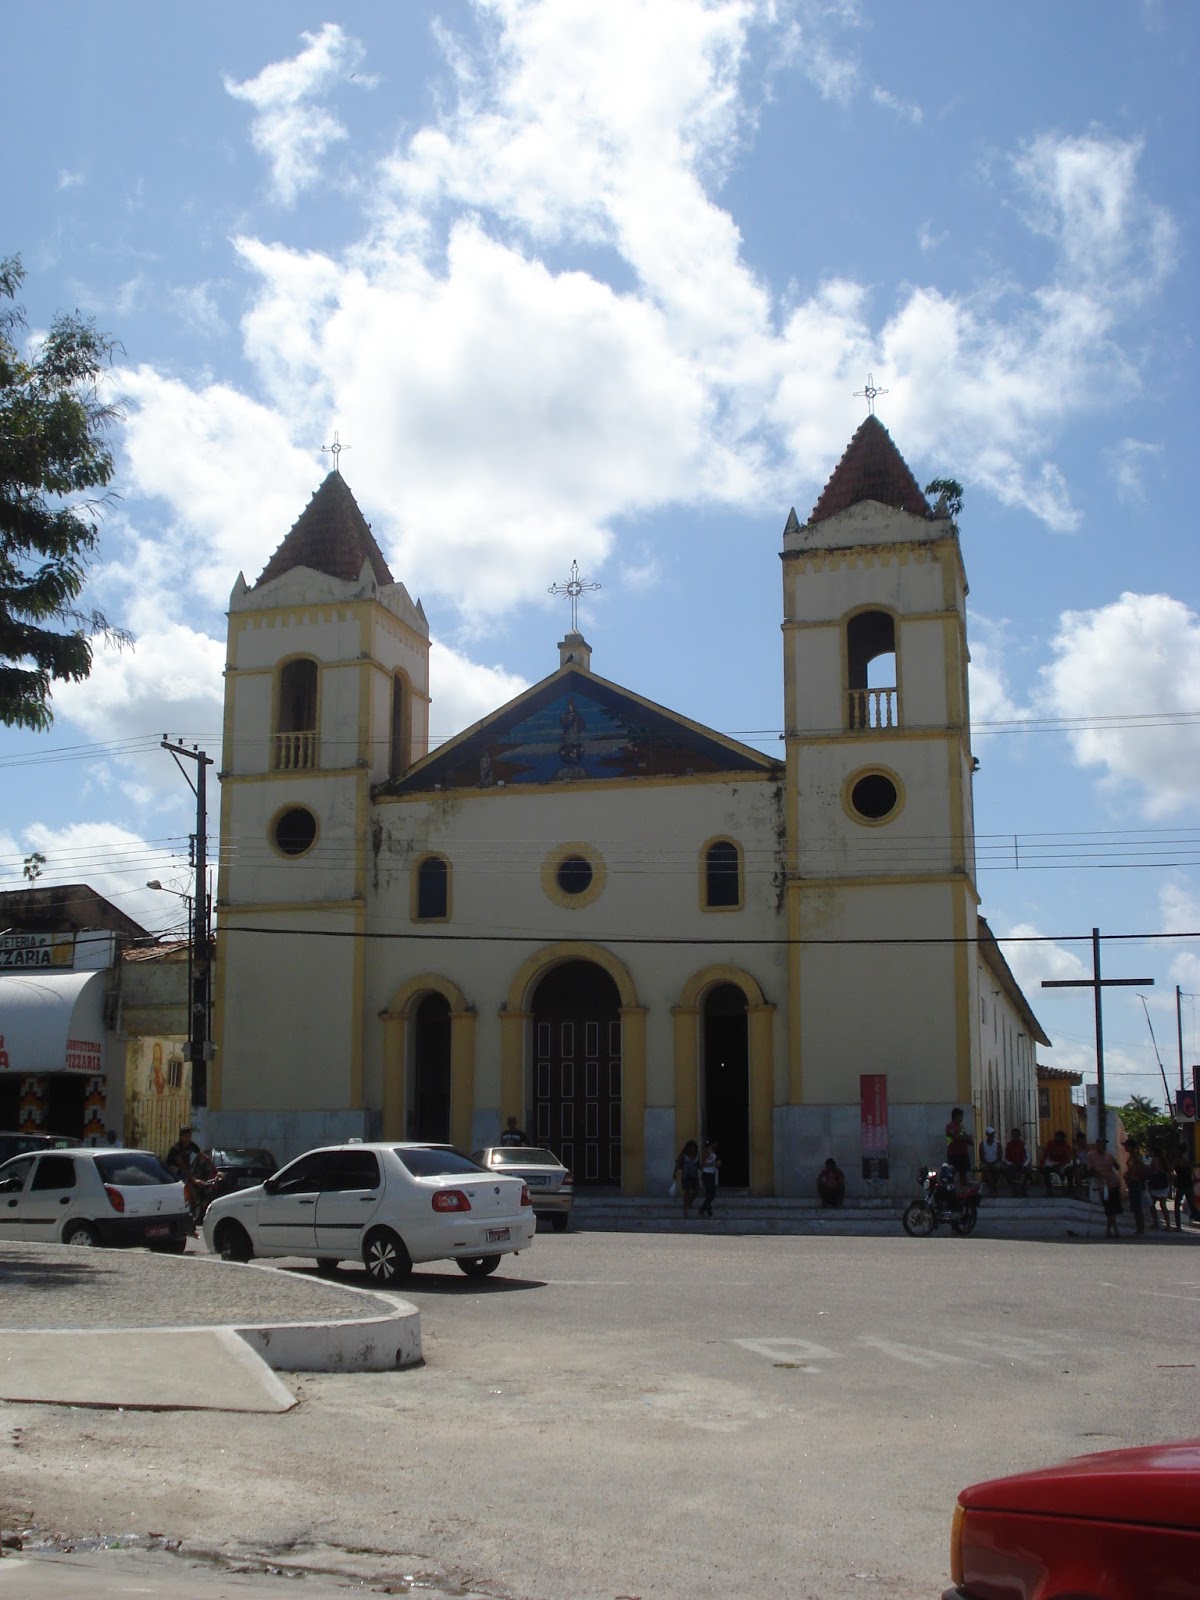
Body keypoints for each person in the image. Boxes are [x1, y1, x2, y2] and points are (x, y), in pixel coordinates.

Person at [1087, 1139, 1122, 1239]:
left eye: (1104, 1144)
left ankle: (1110, 1230)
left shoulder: (1109, 1155)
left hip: (1113, 1183)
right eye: (1101, 1144)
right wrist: (1095, 1173)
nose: (1103, 1146)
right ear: (1097, 1145)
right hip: (1102, 1186)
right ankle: (1114, 1229)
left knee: (1112, 1209)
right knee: (1108, 1208)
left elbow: (1117, 1167)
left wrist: (1116, 1164)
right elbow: (1089, 1169)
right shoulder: (1091, 1155)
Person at [1122, 1139, 1147, 1238]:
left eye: (1127, 1146)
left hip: (1136, 1184)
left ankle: (1141, 1229)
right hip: (1132, 1183)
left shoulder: (1137, 1158)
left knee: (1138, 1207)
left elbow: (1142, 1169)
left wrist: (1135, 1177)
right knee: (1135, 1207)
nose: (1125, 1147)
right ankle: (1138, 1228)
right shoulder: (1132, 1157)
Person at [1041, 1129, 1073, 1196]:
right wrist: (1041, 1164)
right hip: (1052, 1161)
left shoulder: (1067, 1146)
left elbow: (1068, 1159)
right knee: (1046, 1169)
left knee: (1069, 1169)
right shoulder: (1050, 1143)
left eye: (1058, 1137)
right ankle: (1049, 1190)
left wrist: (1060, 1165)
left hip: (1063, 1162)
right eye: (1056, 1136)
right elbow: (1045, 1154)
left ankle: (1070, 1189)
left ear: (1062, 1138)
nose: (1056, 1138)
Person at [1146, 1147, 1172, 1229]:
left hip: (1156, 1184)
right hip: (1164, 1184)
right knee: (1163, 1205)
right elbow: (1168, 1171)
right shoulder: (1163, 1160)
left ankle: (1155, 1222)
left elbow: (1151, 1170)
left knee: (1152, 1204)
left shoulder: (1154, 1160)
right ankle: (1168, 1224)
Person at [1170, 1143, 1194, 1232]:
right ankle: (1195, 1218)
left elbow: (1170, 1170)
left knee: (1177, 1205)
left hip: (1181, 1184)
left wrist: (1173, 1178)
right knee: (1192, 1205)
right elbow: (1192, 1171)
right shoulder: (1188, 1159)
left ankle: (1178, 1226)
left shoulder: (1177, 1160)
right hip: (1189, 1183)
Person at [673, 1140, 700, 1217]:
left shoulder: (697, 1156)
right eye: (691, 1147)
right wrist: (674, 1173)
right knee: (686, 1193)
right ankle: (685, 1209)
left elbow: (698, 1166)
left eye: (694, 1147)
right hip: (686, 1177)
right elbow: (678, 1165)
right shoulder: (683, 1156)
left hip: (695, 1177)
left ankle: (689, 1203)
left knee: (696, 1192)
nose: (693, 1149)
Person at [945, 1108, 971, 1179]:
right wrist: (966, 1138)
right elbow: (955, 1137)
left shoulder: (961, 1127)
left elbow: (964, 1135)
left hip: (963, 1153)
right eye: (961, 1116)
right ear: (956, 1116)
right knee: (952, 1173)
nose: (962, 1118)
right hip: (953, 1154)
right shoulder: (950, 1126)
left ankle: (963, 1187)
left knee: (963, 1173)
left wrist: (968, 1139)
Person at [1003, 1127, 1029, 1196]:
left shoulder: (1023, 1145)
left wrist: (1024, 1164)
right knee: (1005, 1169)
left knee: (1028, 1170)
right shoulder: (1009, 1145)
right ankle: (1013, 1187)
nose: (1015, 1137)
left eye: (1017, 1135)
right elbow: (1005, 1157)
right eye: (1013, 1135)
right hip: (1012, 1164)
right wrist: (1010, 1164)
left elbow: (1028, 1157)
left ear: (1019, 1136)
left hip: (1022, 1164)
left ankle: (1023, 1187)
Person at [978, 1127, 1003, 1195]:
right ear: (987, 1134)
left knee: (997, 1169)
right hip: (985, 1162)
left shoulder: (997, 1144)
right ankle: (993, 1187)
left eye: (993, 1134)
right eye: (991, 1134)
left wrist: (993, 1163)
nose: (992, 1135)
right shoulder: (982, 1144)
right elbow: (981, 1156)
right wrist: (988, 1163)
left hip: (996, 1162)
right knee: (984, 1168)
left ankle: (992, 1187)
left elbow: (1000, 1156)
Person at [698, 1140, 720, 1218]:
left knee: (712, 1193)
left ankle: (702, 1209)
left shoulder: (713, 1152)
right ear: (711, 1144)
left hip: (712, 1174)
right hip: (706, 1174)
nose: (716, 1144)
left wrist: (717, 1164)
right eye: (714, 1143)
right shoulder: (706, 1152)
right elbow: (701, 1165)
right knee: (709, 1193)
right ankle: (709, 1212)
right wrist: (712, 1164)